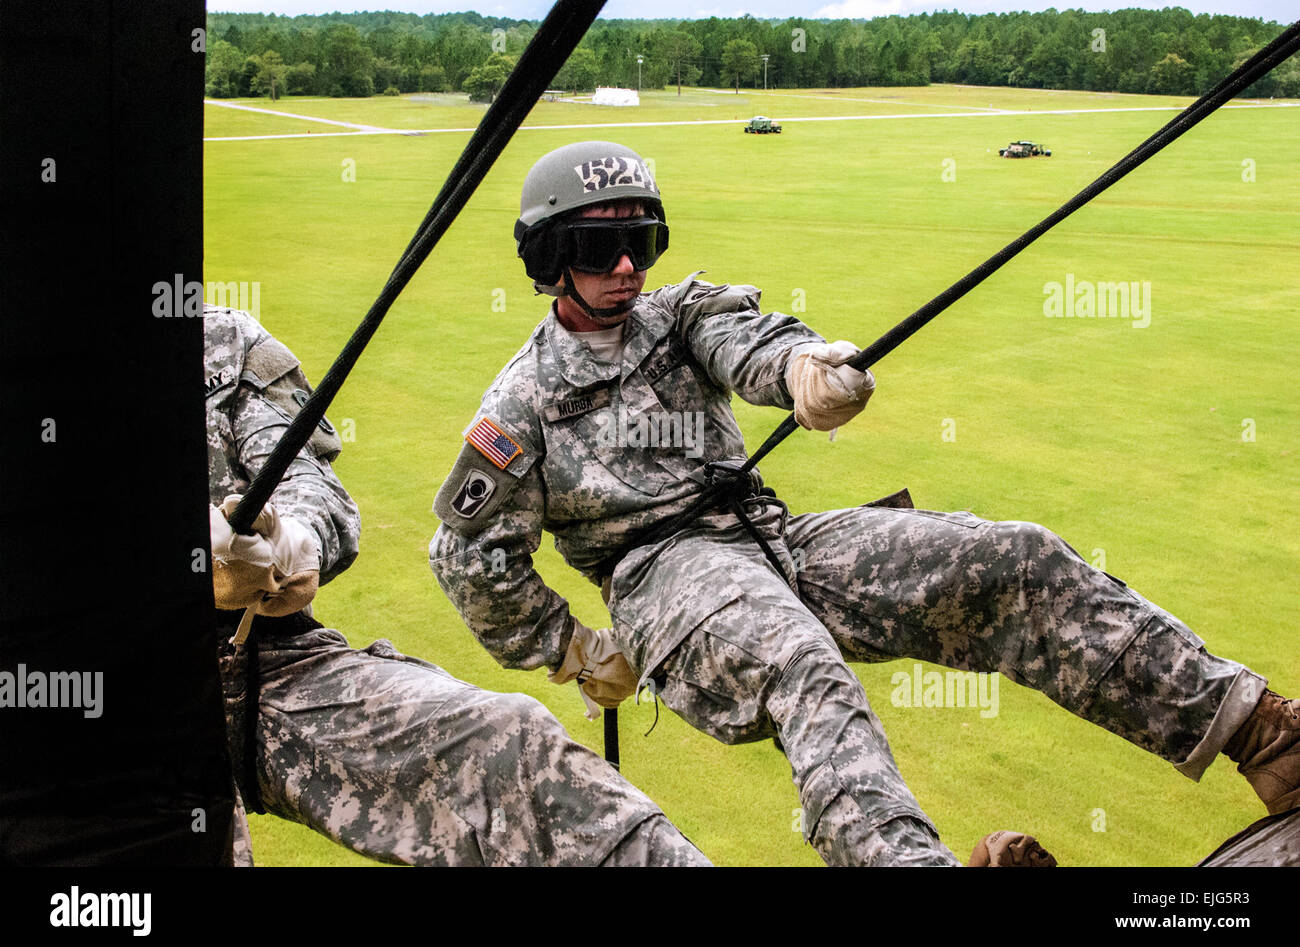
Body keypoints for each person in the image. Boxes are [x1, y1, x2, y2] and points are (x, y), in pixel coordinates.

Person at [428, 140, 1300, 867]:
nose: (625, 268)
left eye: (640, 243)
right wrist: (574, 650)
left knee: (1013, 559)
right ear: (549, 261)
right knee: (801, 664)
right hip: (664, 582)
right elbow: (466, 554)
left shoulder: (680, 313)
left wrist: (808, 372)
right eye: (595, 248)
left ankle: (1266, 741)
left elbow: (752, 340)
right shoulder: (520, 403)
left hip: (772, 538)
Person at [204, 302, 708, 866]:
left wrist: (285, 545)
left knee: (512, 740)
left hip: (263, 660)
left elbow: (307, 483)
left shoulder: (220, 339)